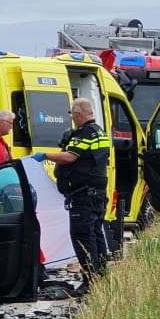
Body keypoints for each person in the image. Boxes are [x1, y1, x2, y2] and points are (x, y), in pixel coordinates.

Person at [31, 98, 109, 295]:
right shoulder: (100, 131)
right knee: (96, 235)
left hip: (84, 196)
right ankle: (101, 277)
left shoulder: (84, 133)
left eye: (72, 114)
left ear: (79, 114)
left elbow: (70, 156)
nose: (72, 118)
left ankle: (90, 282)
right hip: (97, 194)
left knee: (83, 237)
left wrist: (45, 155)